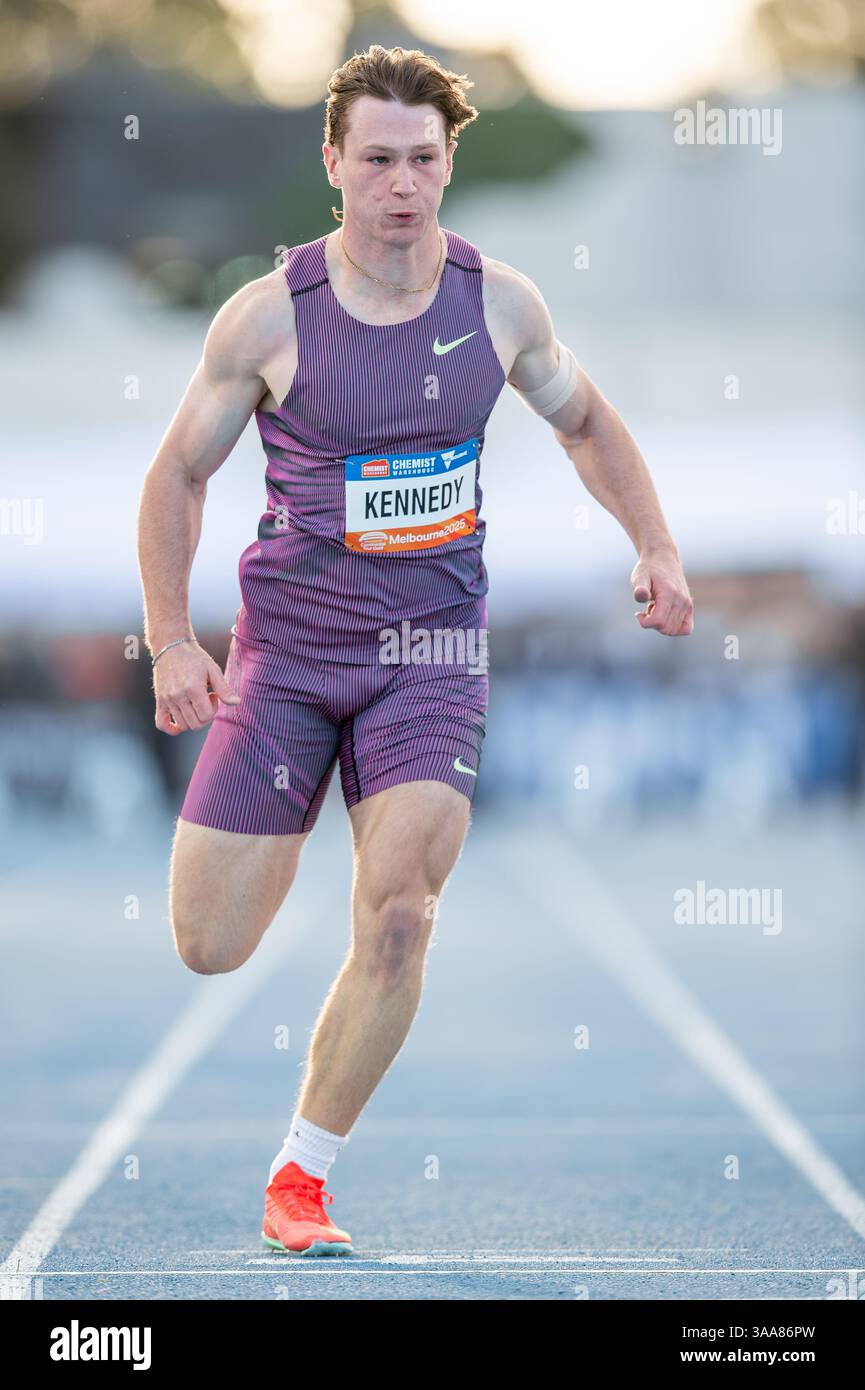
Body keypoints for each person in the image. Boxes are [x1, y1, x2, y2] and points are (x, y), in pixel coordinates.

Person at [136, 44, 693, 1258]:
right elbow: (179, 472)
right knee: (208, 944)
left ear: (449, 165)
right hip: (285, 662)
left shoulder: (499, 305)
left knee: (398, 913)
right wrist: (172, 638)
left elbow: (587, 422)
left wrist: (652, 543)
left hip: (430, 656)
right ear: (333, 163)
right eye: (377, 159)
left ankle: (302, 1176)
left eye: (423, 160)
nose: (401, 183)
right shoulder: (269, 316)